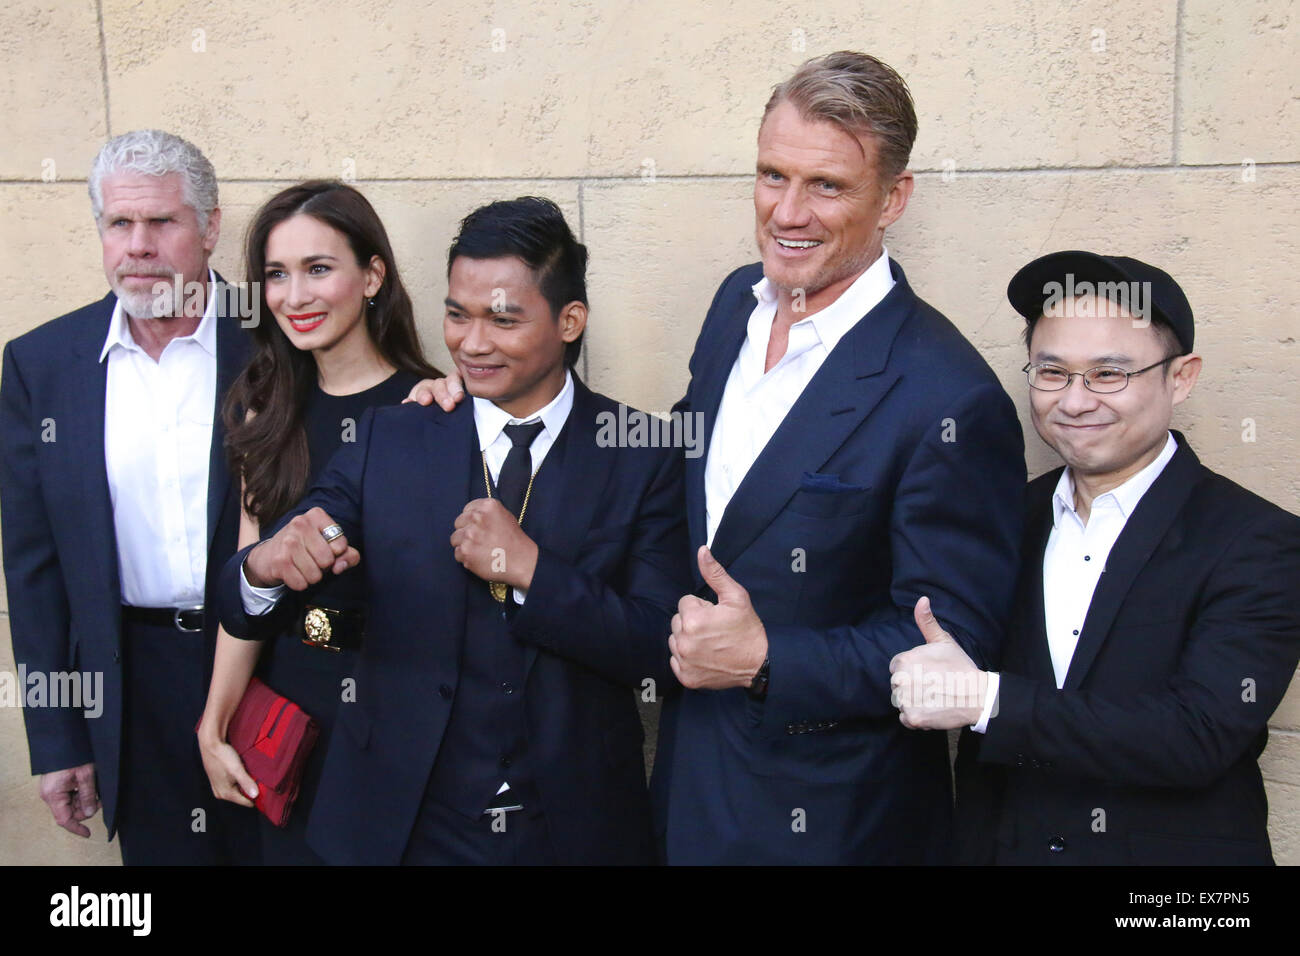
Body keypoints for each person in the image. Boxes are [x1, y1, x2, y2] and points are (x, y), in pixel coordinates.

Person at [413, 53, 1026, 864]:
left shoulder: (950, 396)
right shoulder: (738, 300)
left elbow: (952, 651)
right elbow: (672, 461)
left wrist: (768, 659)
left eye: (828, 186)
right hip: (690, 792)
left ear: (895, 198)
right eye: (772, 175)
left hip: (837, 821)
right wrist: (486, 398)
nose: (789, 212)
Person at [218, 197, 690, 864]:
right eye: (456, 315)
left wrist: (535, 573)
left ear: (569, 320)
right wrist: (266, 566)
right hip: (403, 830)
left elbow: (660, 650)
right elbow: (244, 591)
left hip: (570, 831)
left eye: (502, 319)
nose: (470, 343)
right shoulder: (392, 437)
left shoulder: (642, 456)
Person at [891, 251, 1300, 865]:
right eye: (1052, 372)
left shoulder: (1258, 540)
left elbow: (1199, 734)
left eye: (1109, 374)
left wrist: (985, 701)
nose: (1075, 402)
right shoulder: (1004, 520)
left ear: (1181, 377)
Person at [0, 129, 259, 864]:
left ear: (209, 228)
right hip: (129, 686)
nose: (137, 246)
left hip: (269, 670)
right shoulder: (42, 365)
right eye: (119, 223)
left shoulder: (276, 338)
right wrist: (57, 741)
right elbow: (36, 569)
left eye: (162, 222)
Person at [196, 181, 440, 864]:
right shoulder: (261, 410)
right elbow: (246, 592)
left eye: (318, 269)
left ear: (373, 275)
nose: (294, 296)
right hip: (289, 722)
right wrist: (214, 723)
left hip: (397, 719)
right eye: (276, 274)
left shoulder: (432, 408)